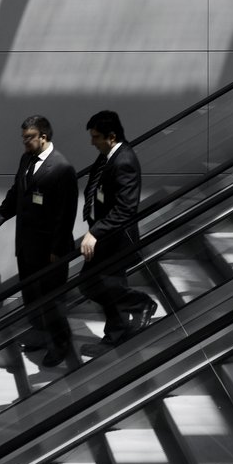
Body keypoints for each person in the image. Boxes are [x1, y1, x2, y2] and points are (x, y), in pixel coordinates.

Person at [0, 115, 78, 367]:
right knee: (32, 295)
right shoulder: (26, 159)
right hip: (27, 245)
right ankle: (42, 333)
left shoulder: (62, 169)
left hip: (50, 250)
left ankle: (61, 343)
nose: (24, 142)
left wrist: (57, 250)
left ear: (43, 137)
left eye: (28, 138)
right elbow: (17, 193)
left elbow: (65, 214)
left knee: (52, 299)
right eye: (23, 138)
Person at [79, 110, 156, 354]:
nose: (92, 142)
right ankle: (116, 332)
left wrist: (95, 232)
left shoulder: (124, 161)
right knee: (93, 283)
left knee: (95, 284)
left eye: (96, 137)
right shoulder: (108, 156)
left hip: (116, 239)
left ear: (111, 137)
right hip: (104, 235)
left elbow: (126, 208)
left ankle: (140, 303)